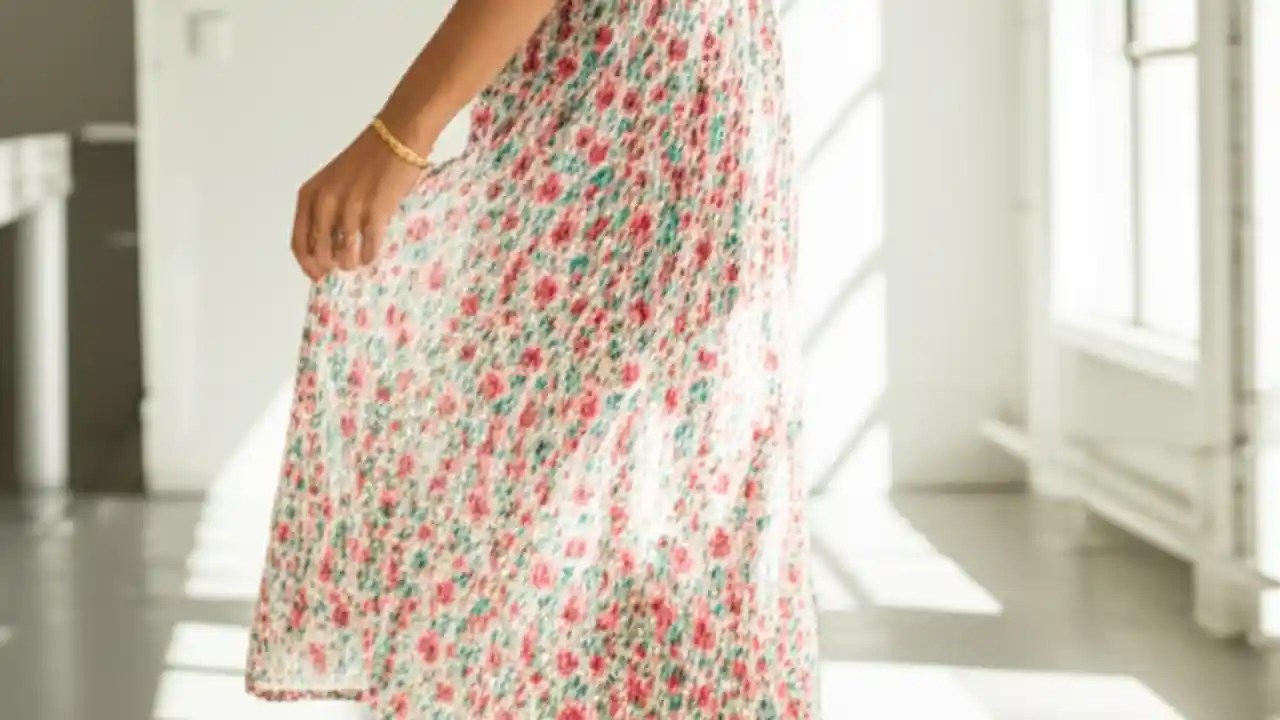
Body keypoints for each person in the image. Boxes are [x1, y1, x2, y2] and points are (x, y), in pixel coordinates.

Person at [244, 0, 819, 717]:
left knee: (561, 517)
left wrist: (397, 138)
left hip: (630, 116)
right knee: (639, 510)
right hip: (663, 99)